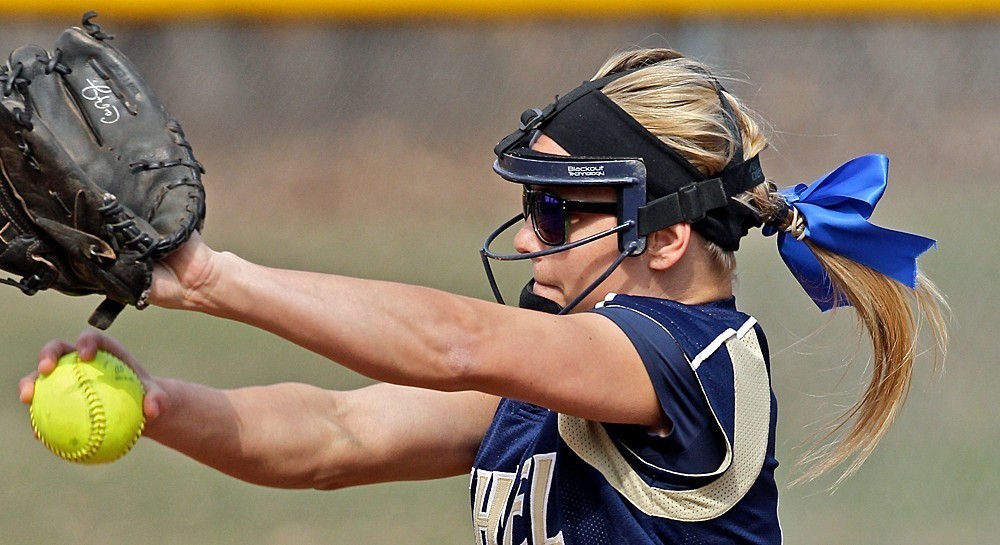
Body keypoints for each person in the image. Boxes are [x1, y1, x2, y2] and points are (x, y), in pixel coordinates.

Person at [18, 48, 947, 544]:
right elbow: (333, 437)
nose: (530, 237)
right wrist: (161, 406)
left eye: (555, 210)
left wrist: (212, 277)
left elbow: (458, 341)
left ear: (665, 237)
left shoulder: (691, 362)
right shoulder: (558, 368)